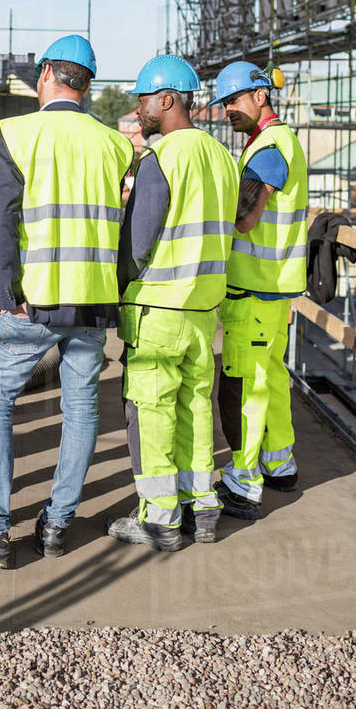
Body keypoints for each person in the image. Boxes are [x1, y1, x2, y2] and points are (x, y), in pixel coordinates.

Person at [0, 35, 134, 569]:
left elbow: (4, 222)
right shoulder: (114, 143)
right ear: (89, 84)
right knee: (81, 408)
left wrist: (3, 296)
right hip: (93, 302)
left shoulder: (16, 133)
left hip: (34, 302)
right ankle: (57, 524)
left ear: (45, 74)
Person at [107, 55, 239, 551]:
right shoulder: (221, 157)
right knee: (194, 408)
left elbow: (137, 243)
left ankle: (159, 519)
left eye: (142, 98)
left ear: (167, 99)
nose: (138, 107)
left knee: (152, 412)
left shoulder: (161, 158)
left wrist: (118, 287)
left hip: (159, 307)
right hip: (205, 311)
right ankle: (201, 507)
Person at [210, 61, 308, 519]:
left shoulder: (268, 148)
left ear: (260, 96)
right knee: (270, 380)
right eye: (223, 103)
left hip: (254, 291)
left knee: (246, 386)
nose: (227, 110)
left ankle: (244, 483)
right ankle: (279, 464)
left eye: (232, 101)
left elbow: (245, 217)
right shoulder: (274, 142)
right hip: (273, 293)